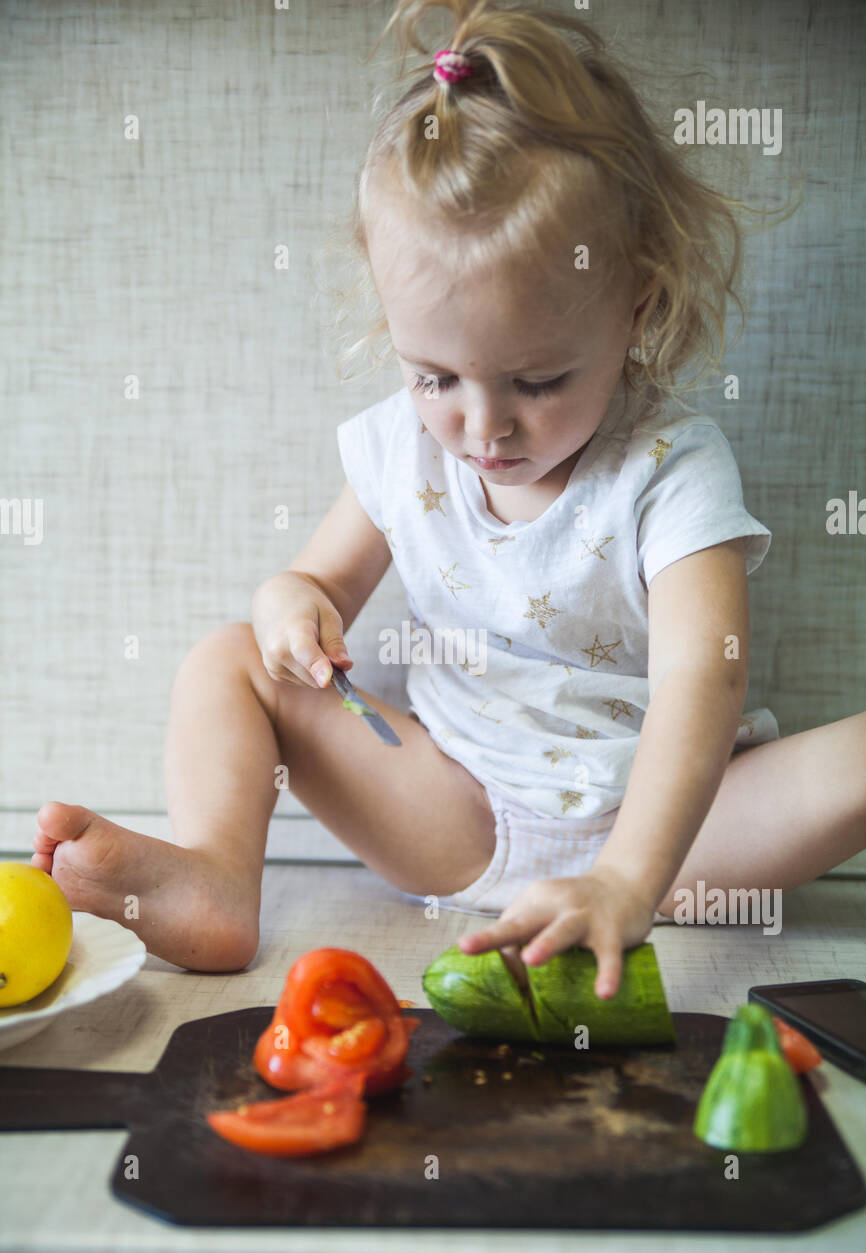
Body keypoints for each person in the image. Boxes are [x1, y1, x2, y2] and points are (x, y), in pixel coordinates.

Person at [30, 2, 866, 998]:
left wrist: (623, 877)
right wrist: (291, 606)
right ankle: (214, 874)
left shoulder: (669, 467)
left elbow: (703, 681)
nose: (483, 427)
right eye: (435, 377)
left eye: (538, 381)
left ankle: (614, 885)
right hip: (454, 810)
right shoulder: (401, 448)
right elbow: (314, 580)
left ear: (634, 304)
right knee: (226, 660)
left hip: (676, 832)